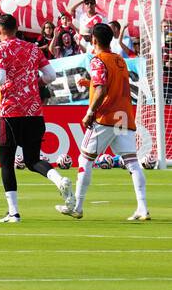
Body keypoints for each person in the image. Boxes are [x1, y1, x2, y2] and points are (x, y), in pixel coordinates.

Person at [0, 14, 74, 223]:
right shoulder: (32, 48)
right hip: (34, 112)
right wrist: (31, 85)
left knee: (6, 162)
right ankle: (59, 180)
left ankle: (13, 212)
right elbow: (51, 76)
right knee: (33, 160)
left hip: (10, 112)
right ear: (16, 28)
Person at [56, 24, 149, 221]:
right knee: (132, 163)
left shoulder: (98, 60)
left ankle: (78, 207)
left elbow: (102, 90)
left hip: (105, 117)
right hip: (124, 115)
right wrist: (90, 83)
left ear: (94, 40)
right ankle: (142, 208)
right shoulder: (120, 60)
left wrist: (90, 112)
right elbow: (110, 85)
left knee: (85, 160)